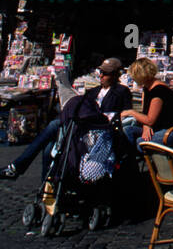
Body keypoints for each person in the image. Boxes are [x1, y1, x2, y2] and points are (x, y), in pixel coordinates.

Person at [1, 57, 133, 181]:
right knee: (49, 147)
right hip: (82, 127)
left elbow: (126, 113)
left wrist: (108, 116)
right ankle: (46, 186)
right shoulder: (94, 91)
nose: (101, 76)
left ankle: (18, 167)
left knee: (54, 125)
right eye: (101, 72)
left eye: (106, 73)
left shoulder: (121, 91)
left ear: (116, 75)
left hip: (99, 132)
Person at [120, 59, 173, 146]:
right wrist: (146, 126)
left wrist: (131, 112)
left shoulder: (158, 91)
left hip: (168, 132)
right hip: (156, 127)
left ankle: (134, 157)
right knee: (128, 130)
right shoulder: (147, 88)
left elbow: (150, 120)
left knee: (140, 142)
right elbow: (146, 114)